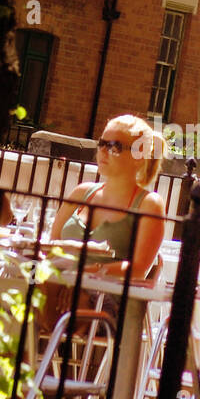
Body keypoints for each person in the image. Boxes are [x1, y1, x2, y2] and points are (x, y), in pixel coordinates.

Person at [49, 114, 166, 280]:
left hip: (107, 293)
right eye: (102, 144)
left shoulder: (149, 204)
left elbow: (138, 269)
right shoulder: (81, 193)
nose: (103, 151)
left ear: (139, 157)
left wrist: (85, 274)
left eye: (114, 146)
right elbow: (51, 246)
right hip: (60, 281)